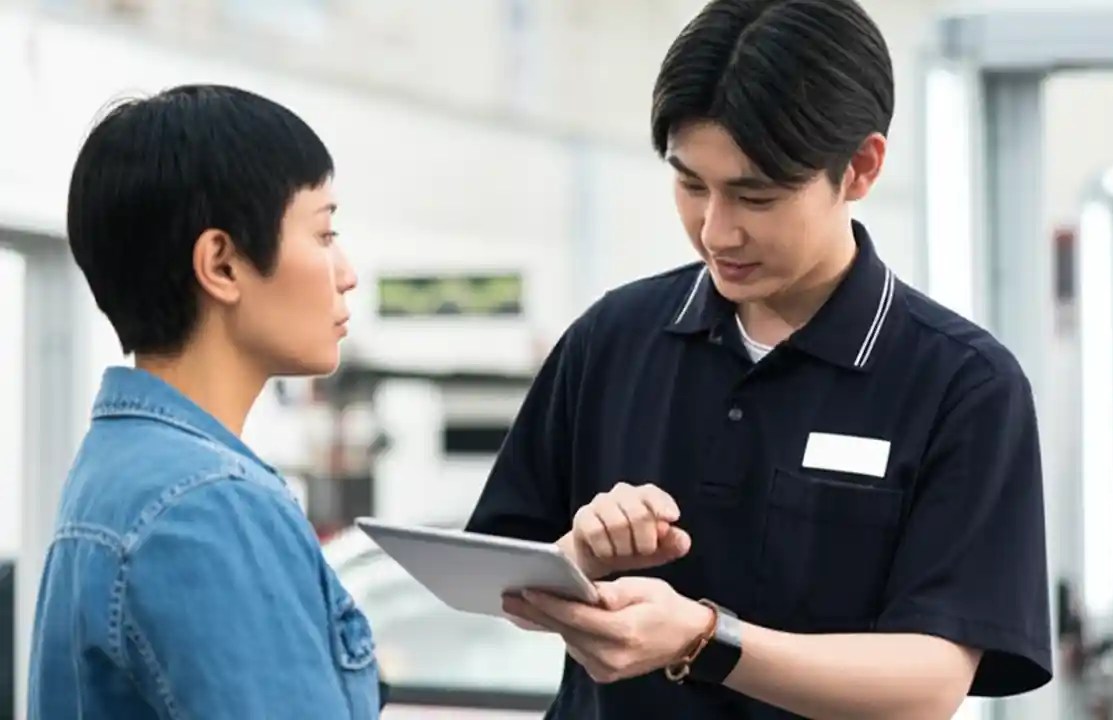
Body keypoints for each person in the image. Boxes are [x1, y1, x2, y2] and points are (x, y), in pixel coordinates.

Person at [467, 0, 1053, 717]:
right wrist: (580, 556)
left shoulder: (961, 385)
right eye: (691, 185)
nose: (717, 231)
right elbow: (503, 586)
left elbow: (929, 682)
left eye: (756, 195)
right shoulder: (613, 338)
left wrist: (703, 638)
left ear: (862, 167)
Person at [27, 84, 379, 719]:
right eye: (324, 233)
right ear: (221, 264)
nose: (347, 271)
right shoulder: (210, 503)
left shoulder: (119, 469)